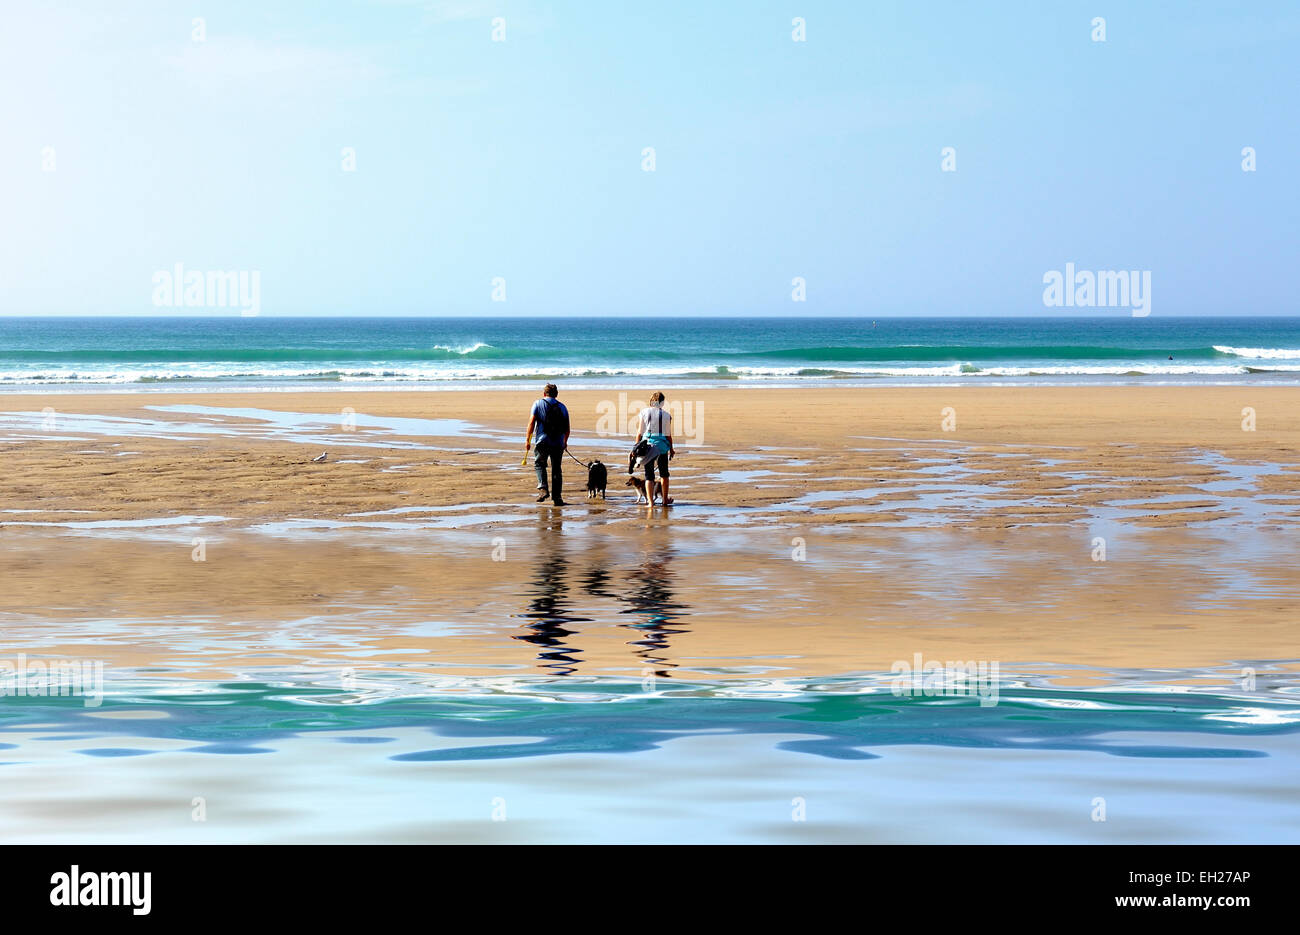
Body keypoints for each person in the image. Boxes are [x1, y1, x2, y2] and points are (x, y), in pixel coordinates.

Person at [525, 383, 570, 505]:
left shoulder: (537, 404)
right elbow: (567, 428)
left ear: (544, 393)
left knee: (539, 464)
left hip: (542, 441)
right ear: (556, 394)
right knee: (556, 469)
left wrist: (527, 440)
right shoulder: (563, 407)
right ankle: (557, 498)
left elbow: (531, 423)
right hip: (558, 443)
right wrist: (564, 442)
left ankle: (543, 488)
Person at [634, 391, 676, 505]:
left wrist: (636, 449)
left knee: (649, 475)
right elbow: (668, 436)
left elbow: (639, 433)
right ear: (662, 403)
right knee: (664, 474)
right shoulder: (667, 415)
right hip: (662, 447)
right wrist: (671, 449)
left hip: (647, 447)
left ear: (651, 401)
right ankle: (664, 501)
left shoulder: (644, 412)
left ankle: (651, 503)